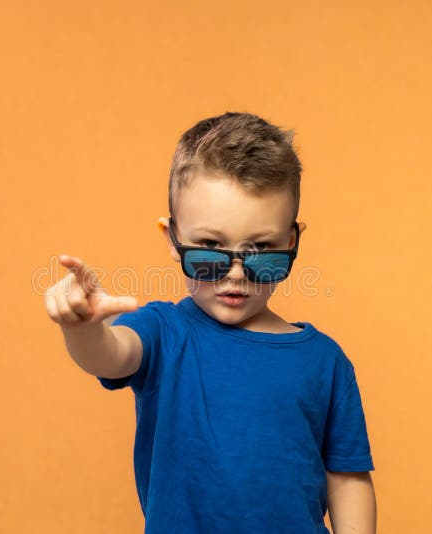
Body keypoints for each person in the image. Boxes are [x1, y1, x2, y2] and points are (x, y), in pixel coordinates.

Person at [44, 112, 377, 533]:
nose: (235, 273)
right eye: (209, 249)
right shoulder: (164, 332)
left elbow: (347, 478)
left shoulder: (325, 361)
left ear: (291, 242)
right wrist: (84, 329)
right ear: (172, 238)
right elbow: (110, 355)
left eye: (261, 250)